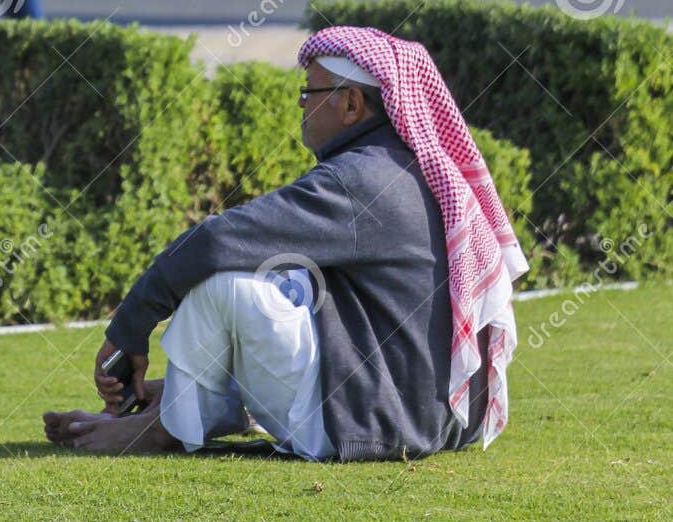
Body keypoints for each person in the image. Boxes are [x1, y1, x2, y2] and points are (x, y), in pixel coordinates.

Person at [44, 25, 528, 460]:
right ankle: (179, 405)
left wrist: (129, 328)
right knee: (284, 279)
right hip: (424, 419)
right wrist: (177, 382)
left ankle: (160, 431)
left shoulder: (363, 180)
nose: (300, 105)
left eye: (308, 92)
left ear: (351, 104)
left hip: (377, 422)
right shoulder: (399, 167)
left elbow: (216, 240)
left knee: (223, 282)